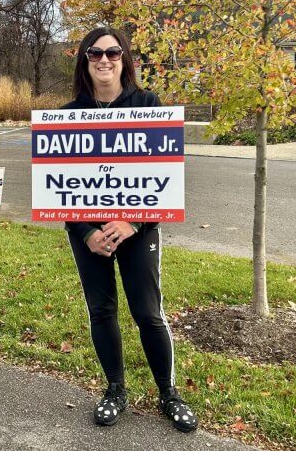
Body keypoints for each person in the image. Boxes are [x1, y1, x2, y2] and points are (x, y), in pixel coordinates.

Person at [61, 26, 198, 433]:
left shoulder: (148, 105)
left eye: (113, 53)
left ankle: (169, 393)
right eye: (95, 53)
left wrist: (133, 220)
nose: (104, 60)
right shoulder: (68, 116)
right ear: (84, 61)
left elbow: (164, 180)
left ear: (125, 59)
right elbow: (60, 187)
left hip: (138, 228)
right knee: (102, 311)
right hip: (89, 233)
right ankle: (115, 390)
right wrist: (88, 232)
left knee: (147, 312)